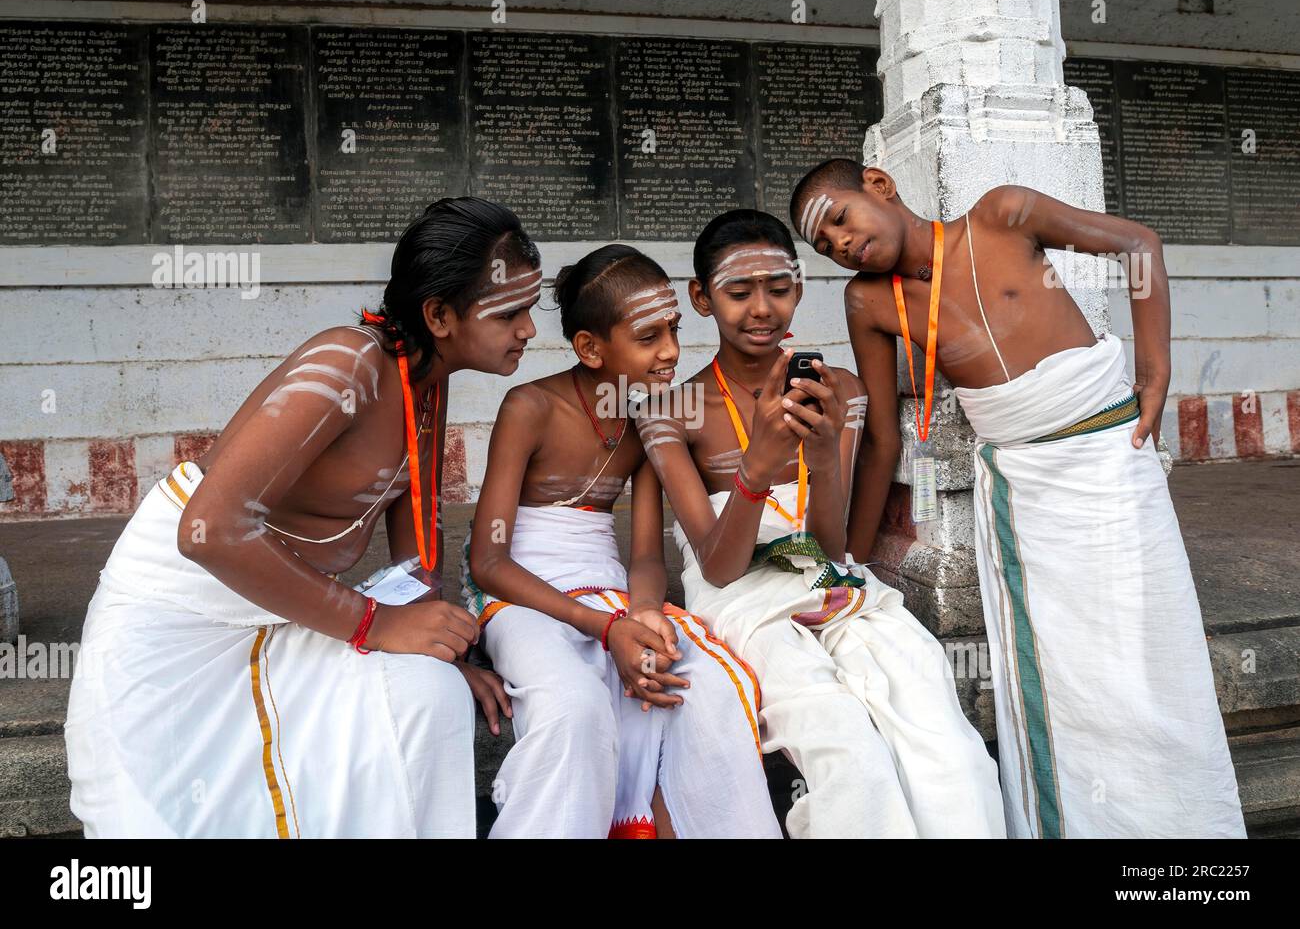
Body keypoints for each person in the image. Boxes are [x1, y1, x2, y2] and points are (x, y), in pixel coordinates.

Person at [790, 159, 1246, 838]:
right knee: (1063, 682)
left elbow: (1138, 246)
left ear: (880, 185)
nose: (841, 245)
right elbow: (883, 441)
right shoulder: (869, 302)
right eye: (824, 248)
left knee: (1153, 656)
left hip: (1108, 456)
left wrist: (1154, 372)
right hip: (1023, 490)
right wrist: (848, 563)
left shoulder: (1000, 215)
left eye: (839, 220)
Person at [64, 197, 539, 837]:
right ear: (439, 315)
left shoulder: (427, 378)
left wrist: (440, 639)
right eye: (511, 312)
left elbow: (416, 534)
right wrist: (375, 624)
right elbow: (208, 532)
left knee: (431, 694)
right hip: (185, 618)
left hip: (292, 613)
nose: (530, 330)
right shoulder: (347, 365)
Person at [635, 209, 1005, 839]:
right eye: (738, 292)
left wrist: (826, 451)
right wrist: (756, 469)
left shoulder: (844, 393)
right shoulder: (672, 411)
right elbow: (722, 569)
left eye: (778, 290)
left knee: (948, 746)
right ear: (702, 298)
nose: (762, 310)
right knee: (847, 754)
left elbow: (833, 547)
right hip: (744, 598)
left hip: (832, 581)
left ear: (800, 289)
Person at [463, 244, 781, 839]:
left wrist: (641, 615)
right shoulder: (530, 407)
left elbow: (643, 555)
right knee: (573, 706)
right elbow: (488, 560)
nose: (669, 351)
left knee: (700, 683)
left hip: (610, 596)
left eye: (673, 330)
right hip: (522, 601)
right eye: (647, 336)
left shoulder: (647, 421)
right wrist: (606, 630)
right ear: (590, 347)